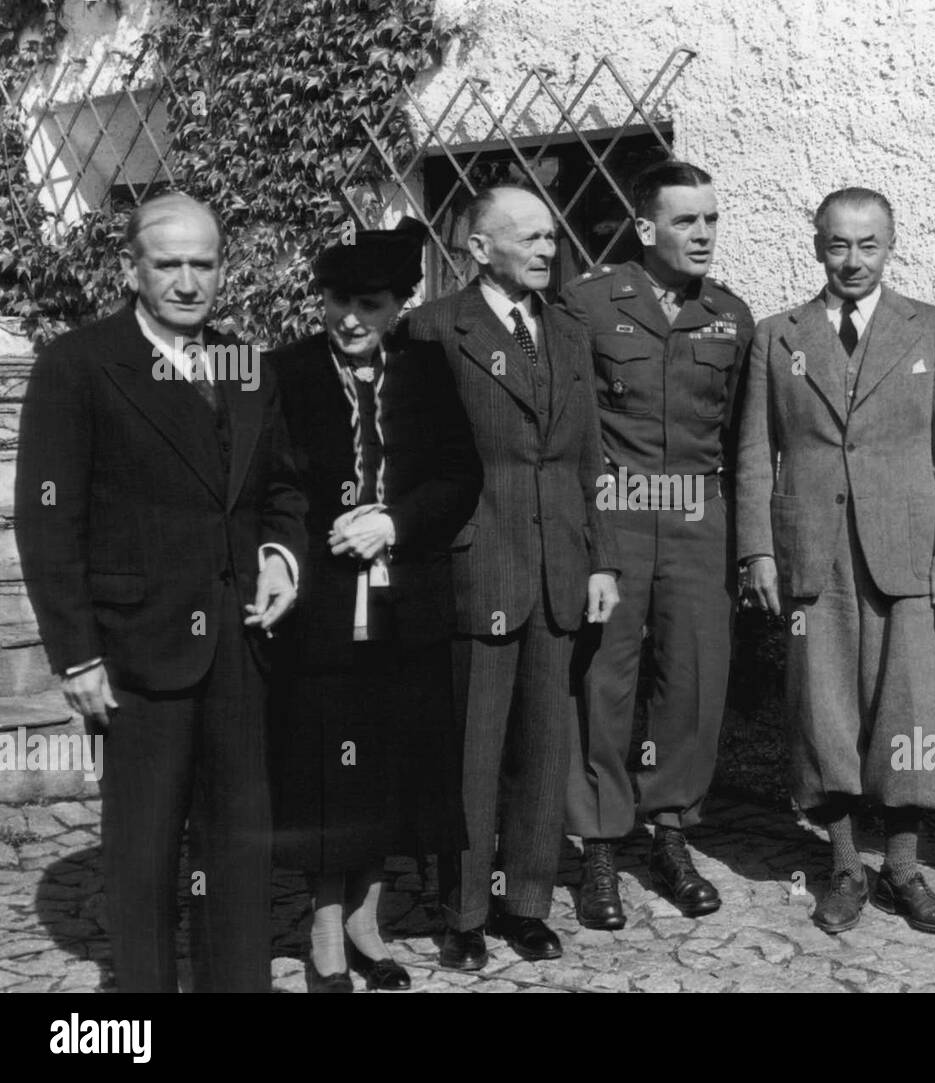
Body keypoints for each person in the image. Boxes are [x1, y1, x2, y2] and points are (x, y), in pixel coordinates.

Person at [14, 191, 307, 992]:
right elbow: (48, 521)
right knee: (143, 851)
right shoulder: (77, 364)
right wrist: (77, 656)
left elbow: (282, 485)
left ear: (222, 269)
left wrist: (281, 554)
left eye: (202, 264)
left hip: (241, 646)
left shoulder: (246, 362)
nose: (187, 281)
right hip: (137, 650)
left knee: (238, 848)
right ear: (131, 269)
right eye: (168, 263)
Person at [736, 187, 935, 936]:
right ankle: (844, 866)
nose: (852, 260)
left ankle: (903, 867)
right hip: (814, 551)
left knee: (911, 709)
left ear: (891, 244)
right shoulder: (779, 336)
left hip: (908, 548)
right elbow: (751, 455)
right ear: (816, 247)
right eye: (838, 244)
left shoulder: (931, 329)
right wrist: (757, 551)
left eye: (868, 244)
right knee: (824, 709)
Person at [405, 186, 619, 969]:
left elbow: (588, 456)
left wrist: (600, 559)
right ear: (478, 248)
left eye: (551, 236)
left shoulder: (566, 326)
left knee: (542, 745)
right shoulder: (433, 329)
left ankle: (525, 902)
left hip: (559, 564)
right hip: (477, 563)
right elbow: (414, 463)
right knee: (471, 747)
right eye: (527, 237)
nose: (546, 250)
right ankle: (461, 910)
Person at [266, 220, 482, 992]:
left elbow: (461, 475)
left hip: (408, 608)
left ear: (398, 306)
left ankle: (368, 919)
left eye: (370, 302)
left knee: (393, 765)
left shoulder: (425, 370)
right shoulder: (286, 372)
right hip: (321, 613)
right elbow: (269, 481)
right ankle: (325, 930)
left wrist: (395, 521)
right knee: (333, 770)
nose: (350, 317)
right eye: (336, 300)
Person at [559, 159, 754, 929]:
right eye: (686, 221)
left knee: (695, 681)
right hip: (619, 510)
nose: (703, 234)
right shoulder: (586, 306)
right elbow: (573, 432)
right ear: (646, 229)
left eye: (711, 219)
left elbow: (739, 436)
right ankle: (601, 843)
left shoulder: (731, 317)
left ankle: (670, 833)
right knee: (603, 681)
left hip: (700, 520)